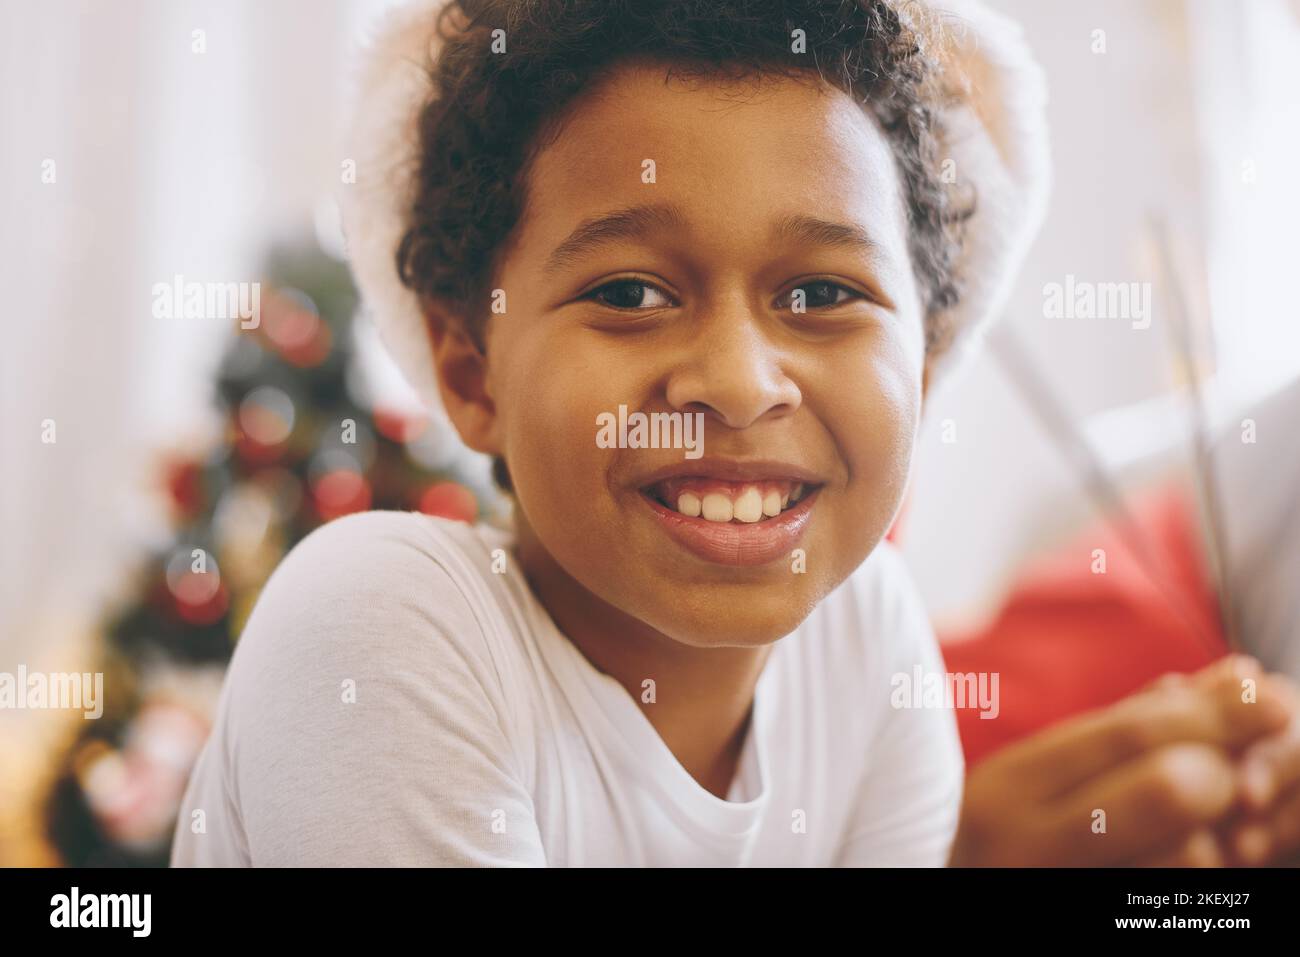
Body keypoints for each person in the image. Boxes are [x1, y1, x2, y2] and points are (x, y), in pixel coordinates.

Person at [172, 0, 1054, 865]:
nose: (741, 386)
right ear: (472, 369)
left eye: (822, 294)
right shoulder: (373, 624)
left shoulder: (867, 642)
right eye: (630, 293)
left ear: (925, 365)